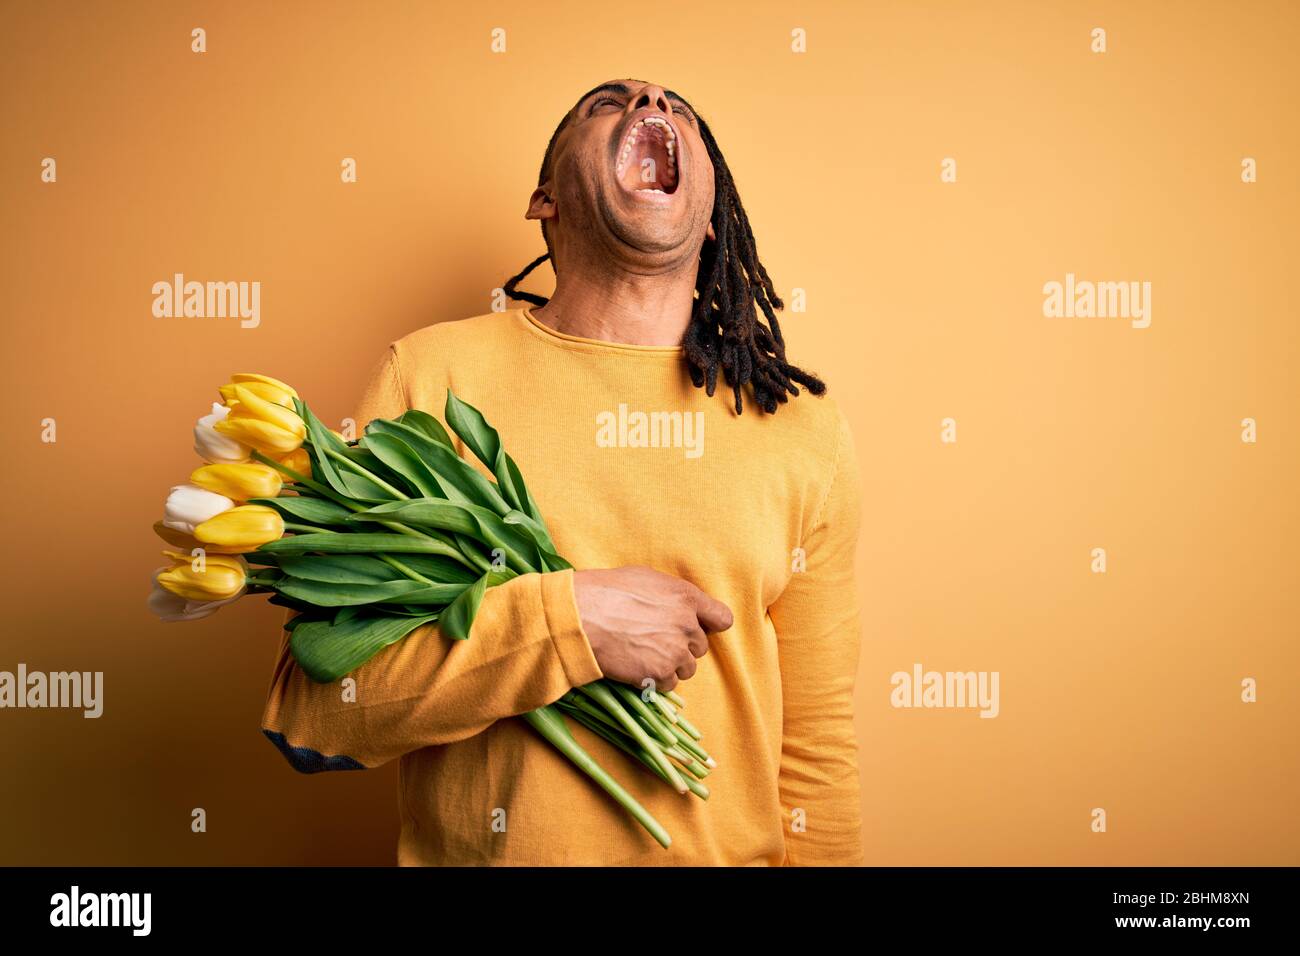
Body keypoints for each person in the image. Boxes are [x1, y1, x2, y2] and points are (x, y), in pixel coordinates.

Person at [261, 78, 865, 866]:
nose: (652, 98)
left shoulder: (801, 430)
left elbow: (816, 754)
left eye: (678, 107)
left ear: (715, 219)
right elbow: (318, 716)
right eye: (604, 105)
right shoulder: (432, 377)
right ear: (544, 199)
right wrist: (567, 624)